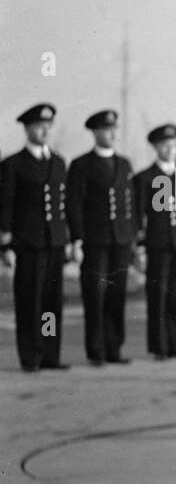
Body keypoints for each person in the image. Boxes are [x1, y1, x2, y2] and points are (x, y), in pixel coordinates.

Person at [0, 103, 72, 371]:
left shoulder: (58, 162)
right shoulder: (13, 164)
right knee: (31, 301)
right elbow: (6, 204)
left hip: (54, 242)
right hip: (29, 244)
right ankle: (30, 356)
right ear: (27, 129)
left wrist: (67, 239)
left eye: (47, 126)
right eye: (38, 127)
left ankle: (50, 354)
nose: (43, 131)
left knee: (52, 304)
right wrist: (5, 242)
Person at [66, 108, 137, 365]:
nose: (111, 133)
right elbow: (74, 204)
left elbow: (131, 205)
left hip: (121, 240)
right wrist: (77, 239)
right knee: (95, 297)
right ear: (95, 132)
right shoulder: (81, 165)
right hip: (95, 241)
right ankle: (96, 351)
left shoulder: (124, 164)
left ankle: (114, 349)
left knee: (117, 296)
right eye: (106, 129)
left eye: (114, 129)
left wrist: (133, 238)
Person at [134, 123, 176, 360]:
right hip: (158, 245)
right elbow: (139, 216)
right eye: (165, 146)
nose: (170, 150)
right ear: (156, 147)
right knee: (158, 297)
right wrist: (139, 249)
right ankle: (159, 347)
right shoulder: (145, 177)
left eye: (173, 145)